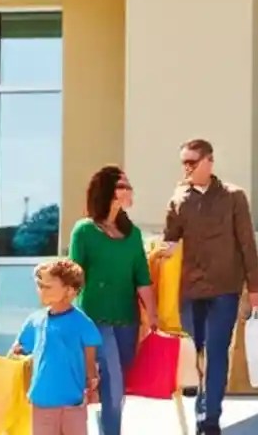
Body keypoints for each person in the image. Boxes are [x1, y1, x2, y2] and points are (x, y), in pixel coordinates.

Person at [162, 138, 258, 435]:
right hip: (189, 292)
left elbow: (247, 244)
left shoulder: (233, 197)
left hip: (224, 289)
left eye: (192, 162)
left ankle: (209, 418)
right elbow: (170, 240)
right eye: (184, 163)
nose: (187, 168)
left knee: (217, 352)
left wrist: (253, 289)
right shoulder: (179, 200)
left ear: (209, 161)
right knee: (194, 354)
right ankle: (201, 405)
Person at [69, 165, 158, 435]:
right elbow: (74, 275)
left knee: (116, 387)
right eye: (124, 186)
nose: (130, 191)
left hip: (127, 321)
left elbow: (142, 279)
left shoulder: (133, 235)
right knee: (114, 382)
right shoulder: (84, 231)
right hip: (95, 319)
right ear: (109, 192)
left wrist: (153, 316)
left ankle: (106, 427)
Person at [11, 259, 102, 435]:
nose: (41, 291)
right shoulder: (34, 321)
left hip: (73, 402)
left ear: (70, 290)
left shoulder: (83, 323)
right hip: (42, 400)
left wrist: (92, 384)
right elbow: (18, 351)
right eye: (40, 286)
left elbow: (90, 360)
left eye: (48, 286)